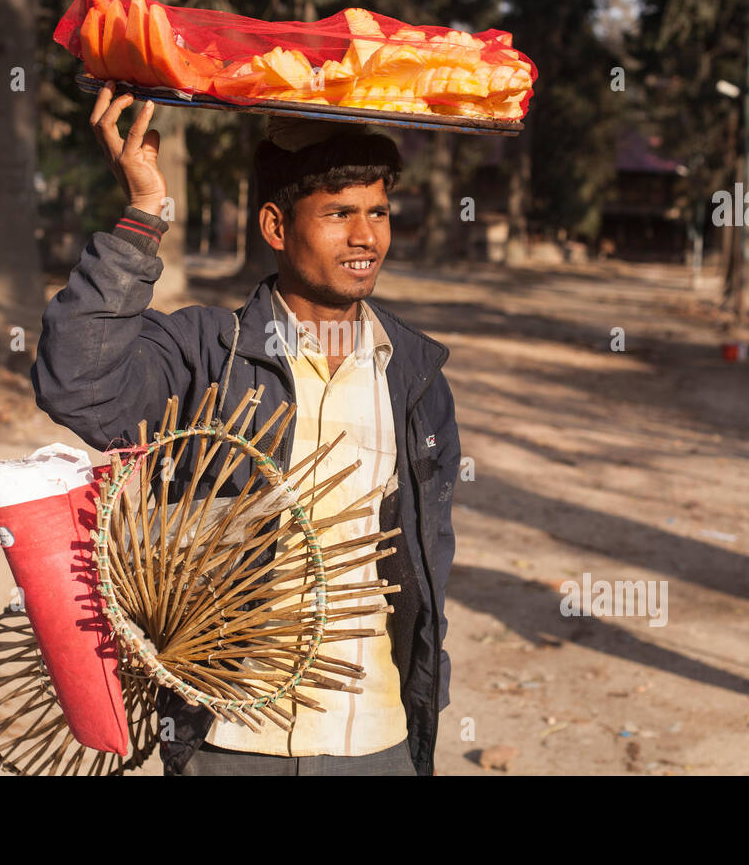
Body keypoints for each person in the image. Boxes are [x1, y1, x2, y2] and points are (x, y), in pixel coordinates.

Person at [30, 83, 459, 776]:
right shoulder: (212, 353)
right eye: (339, 213)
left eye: (378, 212)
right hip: (229, 739)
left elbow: (423, 566)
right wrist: (143, 213)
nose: (365, 236)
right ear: (276, 227)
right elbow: (75, 382)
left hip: (373, 737)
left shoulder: (412, 376)